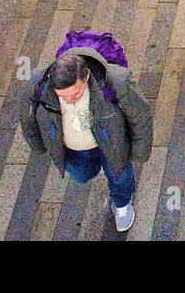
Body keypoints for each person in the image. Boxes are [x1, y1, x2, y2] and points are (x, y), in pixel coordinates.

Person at [19, 43, 154, 233]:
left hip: (112, 144)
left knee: (119, 175)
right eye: (62, 96)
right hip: (73, 149)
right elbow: (27, 119)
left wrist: (140, 153)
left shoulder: (118, 83)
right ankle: (100, 169)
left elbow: (140, 117)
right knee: (82, 175)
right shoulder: (37, 86)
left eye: (76, 93)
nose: (69, 100)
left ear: (87, 76)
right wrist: (38, 145)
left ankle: (122, 203)